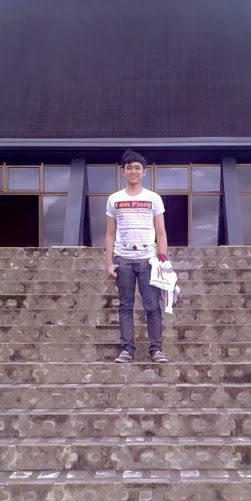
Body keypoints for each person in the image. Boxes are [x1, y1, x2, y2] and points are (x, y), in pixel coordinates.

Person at [105, 149, 169, 363]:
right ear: (123, 171)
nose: (133, 171)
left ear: (144, 172)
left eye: (137, 168)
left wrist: (163, 259)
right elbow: (110, 233)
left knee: (152, 306)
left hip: (148, 260)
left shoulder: (154, 198)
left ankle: (156, 350)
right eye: (129, 168)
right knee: (125, 306)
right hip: (123, 260)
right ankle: (127, 349)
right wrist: (109, 263)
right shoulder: (114, 199)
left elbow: (160, 231)